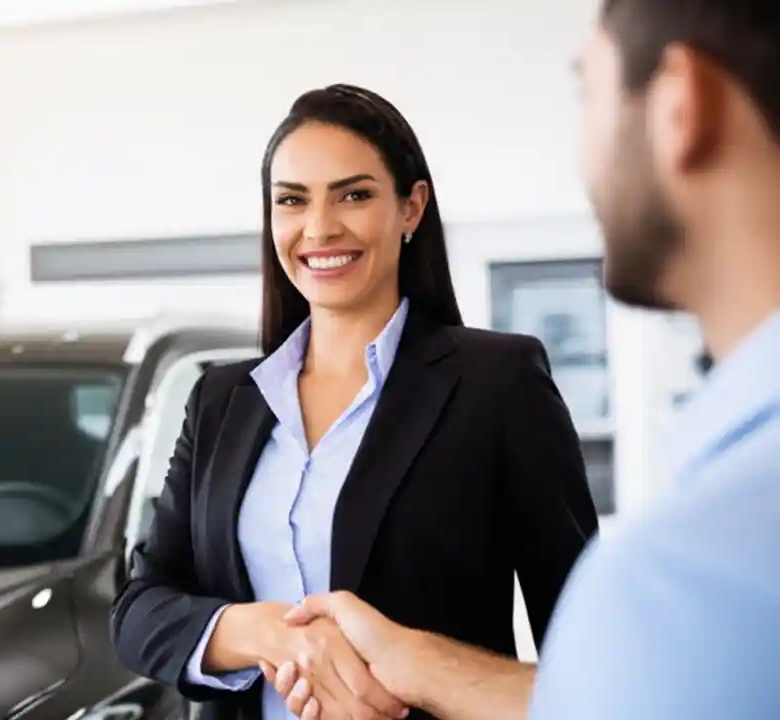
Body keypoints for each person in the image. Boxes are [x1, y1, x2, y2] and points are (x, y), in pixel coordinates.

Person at [266, 1, 780, 718]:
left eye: (588, 93)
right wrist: (410, 661)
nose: (582, 157)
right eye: (292, 199)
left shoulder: (685, 564)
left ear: (680, 105)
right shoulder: (696, 543)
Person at [110, 85, 599, 720]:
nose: (320, 228)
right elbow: (139, 609)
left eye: (354, 194)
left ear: (411, 208)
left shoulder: (495, 383)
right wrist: (271, 634)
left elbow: (586, 633)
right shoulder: (221, 400)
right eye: (292, 201)